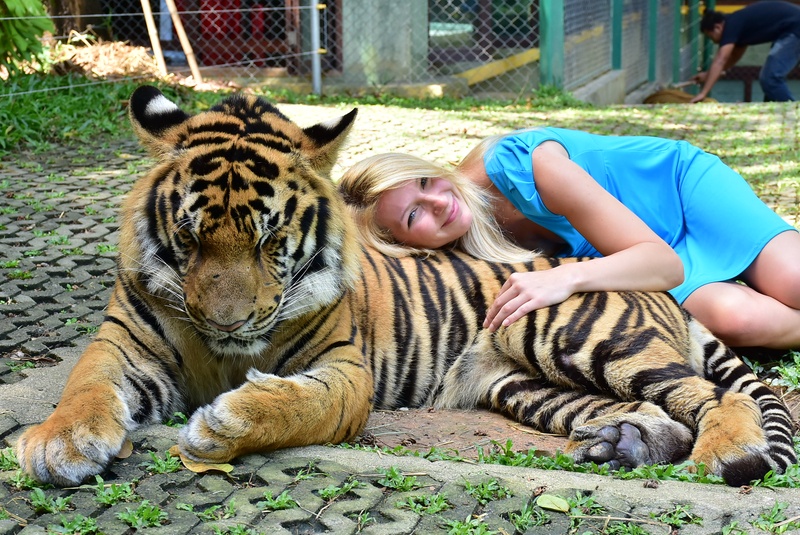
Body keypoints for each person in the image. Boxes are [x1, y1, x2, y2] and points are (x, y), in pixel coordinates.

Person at [339, 128, 800, 350]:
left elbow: (664, 266)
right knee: (737, 320)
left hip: (678, 194)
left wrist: (567, 279)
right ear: (404, 245)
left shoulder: (521, 167)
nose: (438, 201)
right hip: (625, 255)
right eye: (414, 213)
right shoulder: (457, 252)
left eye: (423, 181)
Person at [690, 2, 800, 103]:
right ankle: (774, 113)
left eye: (711, 37)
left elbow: (720, 60)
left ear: (717, 27)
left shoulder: (731, 25)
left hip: (795, 30)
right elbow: (733, 57)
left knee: (770, 78)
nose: (714, 42)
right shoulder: (738, 28)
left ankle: (793, 114)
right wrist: (708, 75)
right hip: (791, 30)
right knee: (770, 79)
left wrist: (703, 93)